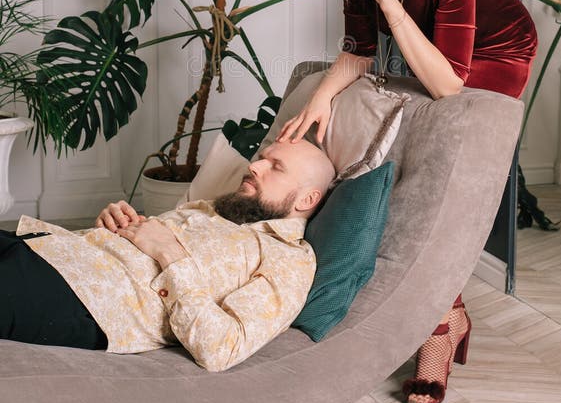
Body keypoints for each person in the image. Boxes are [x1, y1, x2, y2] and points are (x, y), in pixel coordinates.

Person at [278, 0, 537, 403]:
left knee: (443, 170)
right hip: (437, 62)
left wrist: (391, 2)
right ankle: (444, 309)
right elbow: (357, 51)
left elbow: (447, 84)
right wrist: (320, 99)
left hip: (495, 57)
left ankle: (441, 325)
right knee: (387, 155)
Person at [0, 139, 335, 372]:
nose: (255, 165)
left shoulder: (289, 260)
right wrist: (115, 224)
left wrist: (170, 253)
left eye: (275, 166)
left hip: (78, 301)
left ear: (306, 199)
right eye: (262, 157)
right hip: (51, 248)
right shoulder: (219, 209)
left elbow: (221, 348)